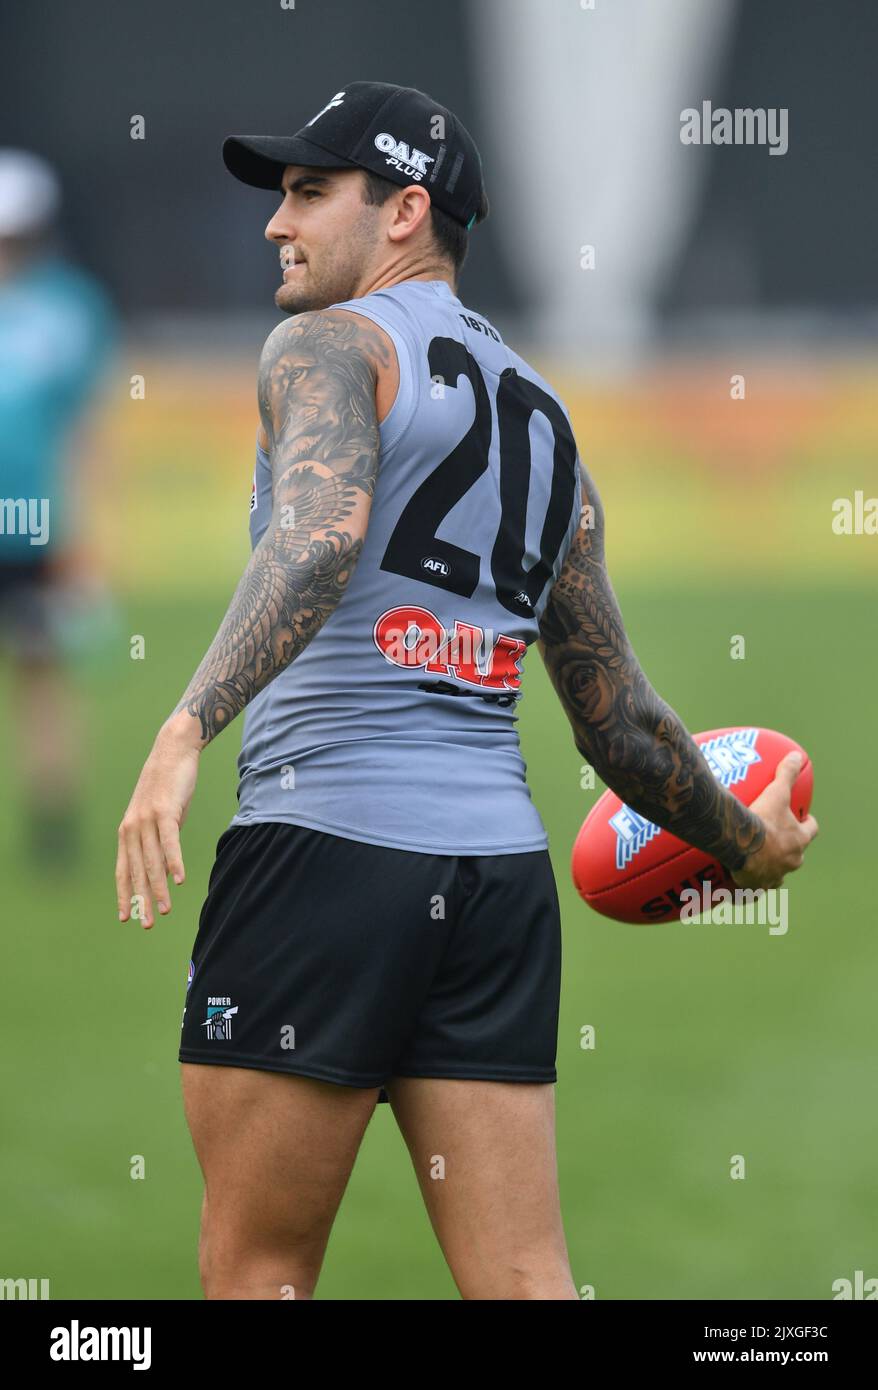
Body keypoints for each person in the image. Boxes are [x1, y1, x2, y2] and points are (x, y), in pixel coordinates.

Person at [115, 82, 818, 1300]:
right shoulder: (549, 422)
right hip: (495, 882)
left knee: (258, 1274)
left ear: (403, 210)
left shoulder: (325, 344)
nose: (275, 225)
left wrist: (183, 726)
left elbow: (320, 536)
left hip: (321, 854)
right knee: (525, 1283)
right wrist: (743, 843)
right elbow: (621, 716)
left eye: (304, 192)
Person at [0, 149, 116, 864]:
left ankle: (52, 819)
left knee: (41, 671)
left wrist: (92, 535)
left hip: (36, 528)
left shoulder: (70, 307)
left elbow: (87, 431)